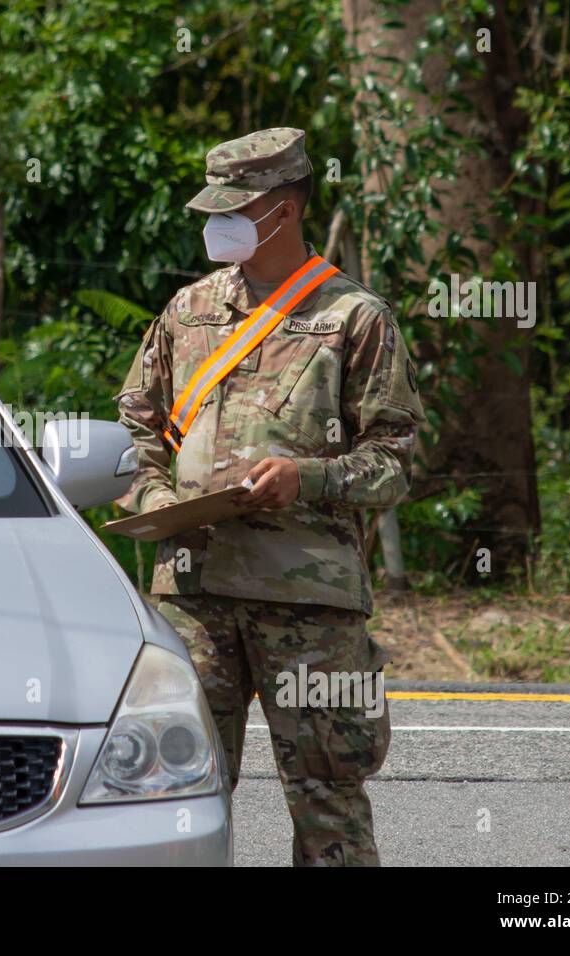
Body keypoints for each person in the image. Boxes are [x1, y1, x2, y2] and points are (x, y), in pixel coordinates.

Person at [115, 127, 424, 866]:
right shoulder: (187, 312)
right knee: (172, 793)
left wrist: (306, 479)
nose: (214, 223)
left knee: (327, 794)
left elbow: (396, 461)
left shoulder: (355, 319)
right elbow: (137, 426)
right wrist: (154, 493)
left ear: (282, 212)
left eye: (233, 207)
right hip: (192, 595)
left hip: (308, 601)